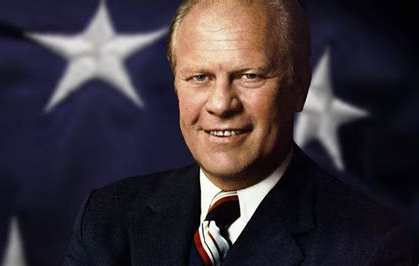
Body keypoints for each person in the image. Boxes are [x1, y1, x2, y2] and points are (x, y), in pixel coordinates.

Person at [63, 0, 414, 265]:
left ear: (299, 87)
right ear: (176, 85)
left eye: (250, 76)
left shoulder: (371, 246)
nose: (221, 104)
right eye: (199, 77)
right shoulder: (107, 217)